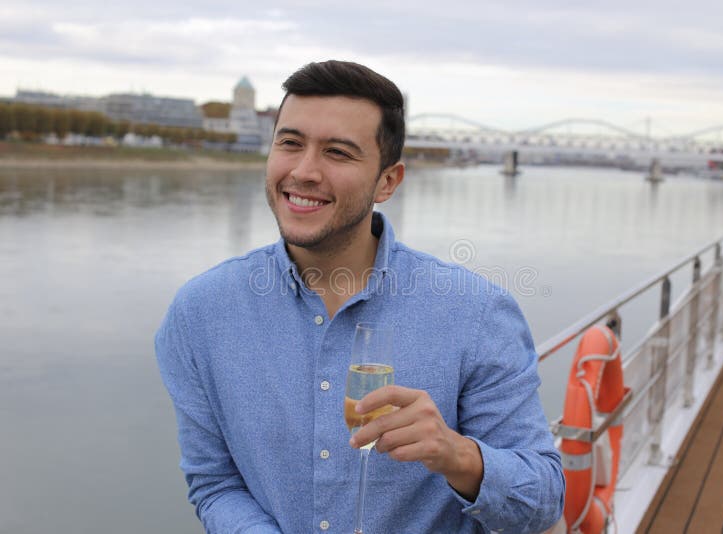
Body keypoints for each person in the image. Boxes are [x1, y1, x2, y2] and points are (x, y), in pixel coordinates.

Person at [156, 60, 564, 534]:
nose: (304, 172)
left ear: (387, 182)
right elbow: (215, 484)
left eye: (338, 153)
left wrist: (457, 455)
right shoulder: (200, 314)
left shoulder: (476, 313)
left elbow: (544, 500)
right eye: (290, 143)